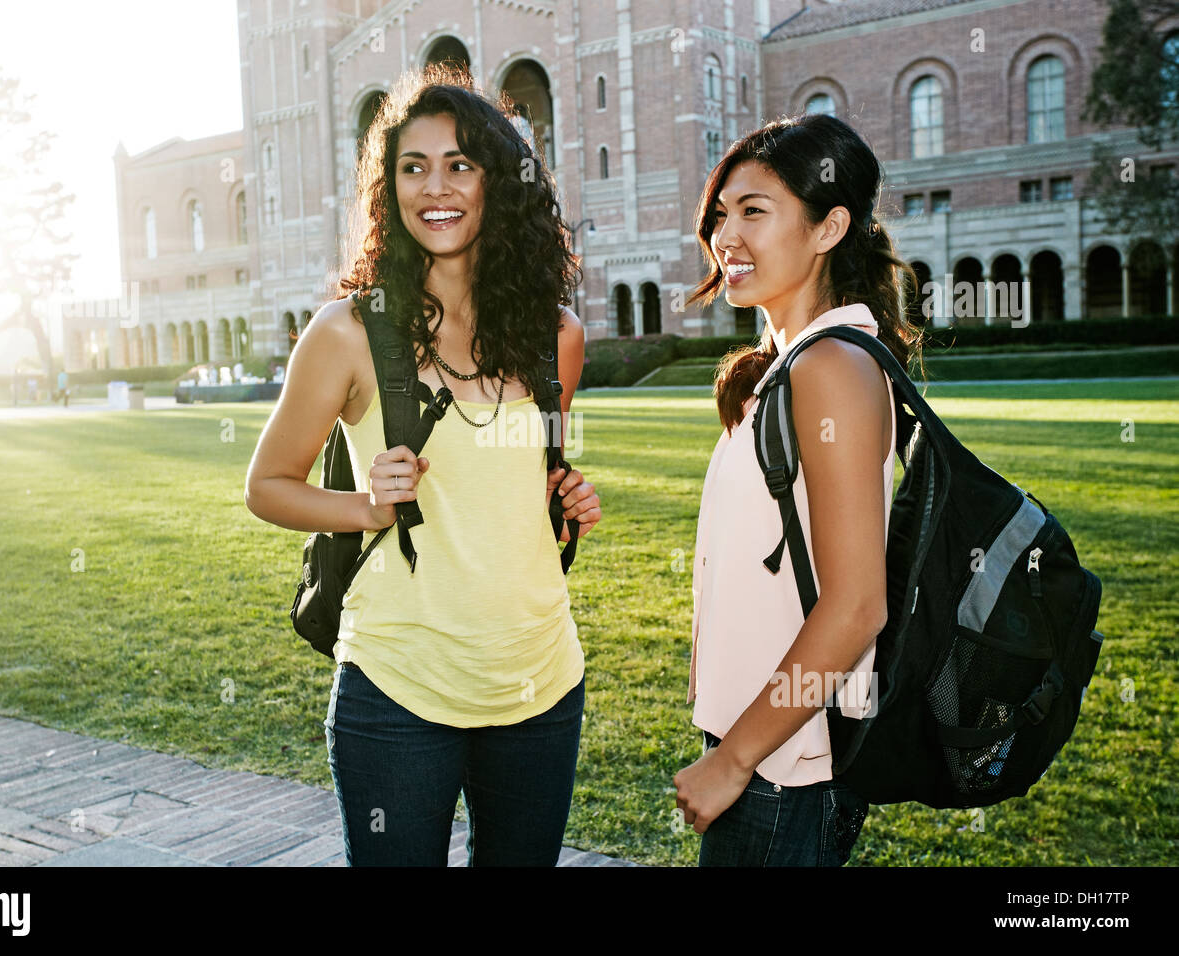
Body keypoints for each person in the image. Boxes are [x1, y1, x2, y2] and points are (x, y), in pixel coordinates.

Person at [244, 65, 601, 867]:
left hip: (538, 681)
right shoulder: (347, 332)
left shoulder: (559, 335)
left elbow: (532, 472)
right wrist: (365, 507)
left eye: (459, 164)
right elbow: (266, 485)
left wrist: (565, 492)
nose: (433, 188)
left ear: (498, 183)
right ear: (388, 188)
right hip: (397, 688)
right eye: (412, 167)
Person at [673, 113, 924, 866]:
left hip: (784, 767)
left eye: (755, 211)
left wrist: (735, 759)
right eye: (722, 214)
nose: (727, 237)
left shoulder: (832, 369)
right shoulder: (791, 364)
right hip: (772, 750)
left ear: (828, 227)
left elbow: (857, 605)